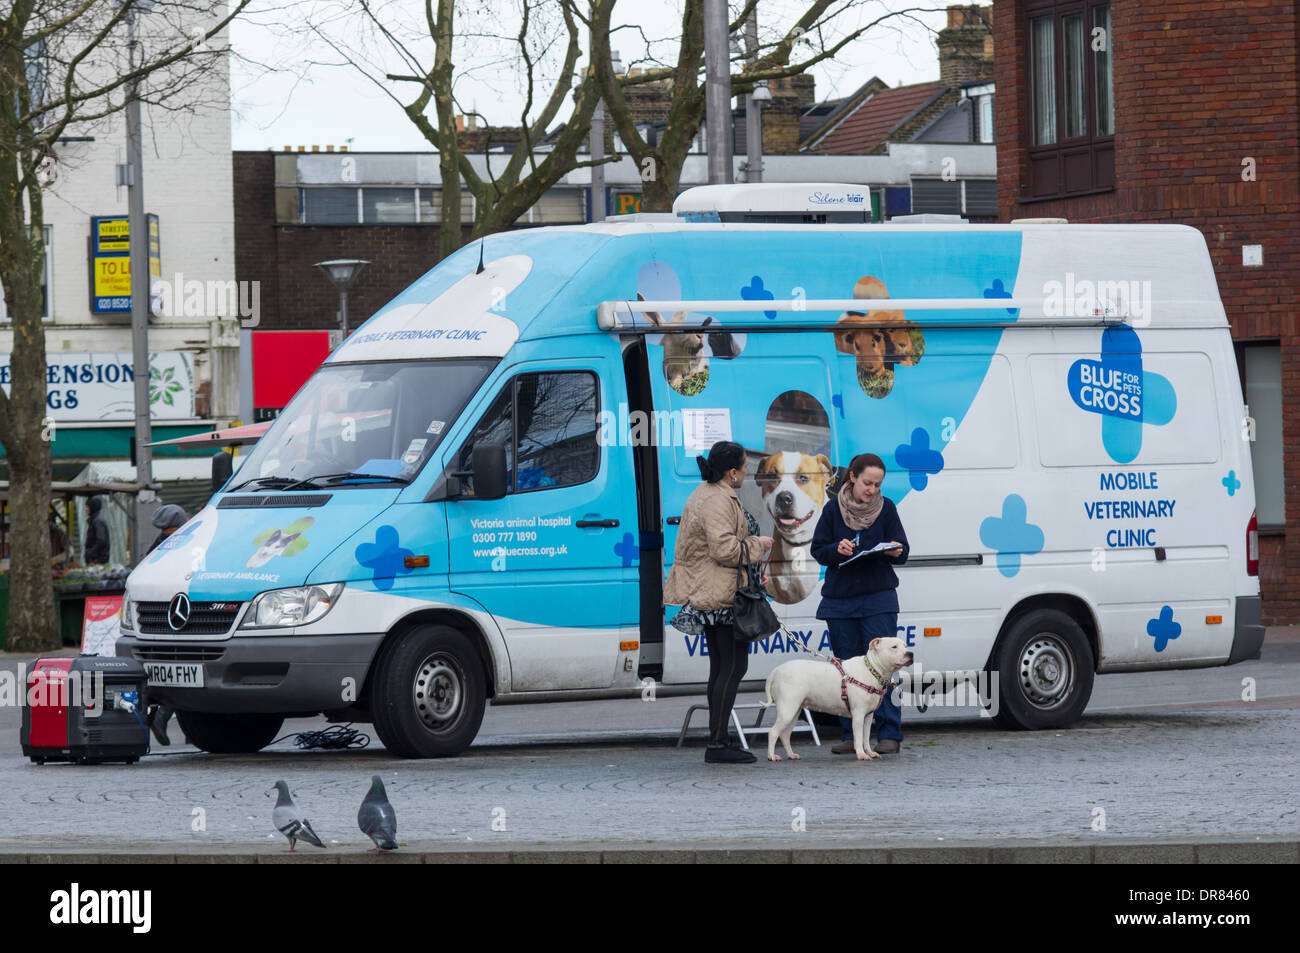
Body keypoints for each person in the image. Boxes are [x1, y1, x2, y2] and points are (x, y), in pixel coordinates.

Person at [664, 441, 773, 764]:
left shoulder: (711, 494)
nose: (746, 472)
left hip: (718, 591)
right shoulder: (715, 499)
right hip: (720, 596)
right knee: (732, 666)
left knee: (723, 667)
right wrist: (758, 545)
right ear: (732, 471)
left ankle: (719, 739)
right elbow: (724, 550)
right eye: (743, 466)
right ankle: (717, 743)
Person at [810, 453, 910, 754]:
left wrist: (894, 550)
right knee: (847, 668)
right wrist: (836, 549)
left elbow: (902, 549)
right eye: (868, 483)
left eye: (877, 485)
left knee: (886, 667)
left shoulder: (887, 508)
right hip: (841, 599)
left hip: (878, 596)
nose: (872, 490)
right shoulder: (832, 510)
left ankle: (889, 733)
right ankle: (851, 736)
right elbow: (818, 550)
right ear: (852, 477)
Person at [140, 504, 188, 746]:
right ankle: (162, 717)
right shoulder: (184, 543)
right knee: (184, 671)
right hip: (179, 619)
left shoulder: (156, 545)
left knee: (155, 671)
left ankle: (146, 717)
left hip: (153, 621)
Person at [84, 496, 111, 564]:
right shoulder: (94, 521)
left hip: (98, 560)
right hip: (95, 559)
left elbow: (101, 540)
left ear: (93, 508)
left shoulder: (98, 521)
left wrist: (91, 552)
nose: (85, 509)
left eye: (87, 507)